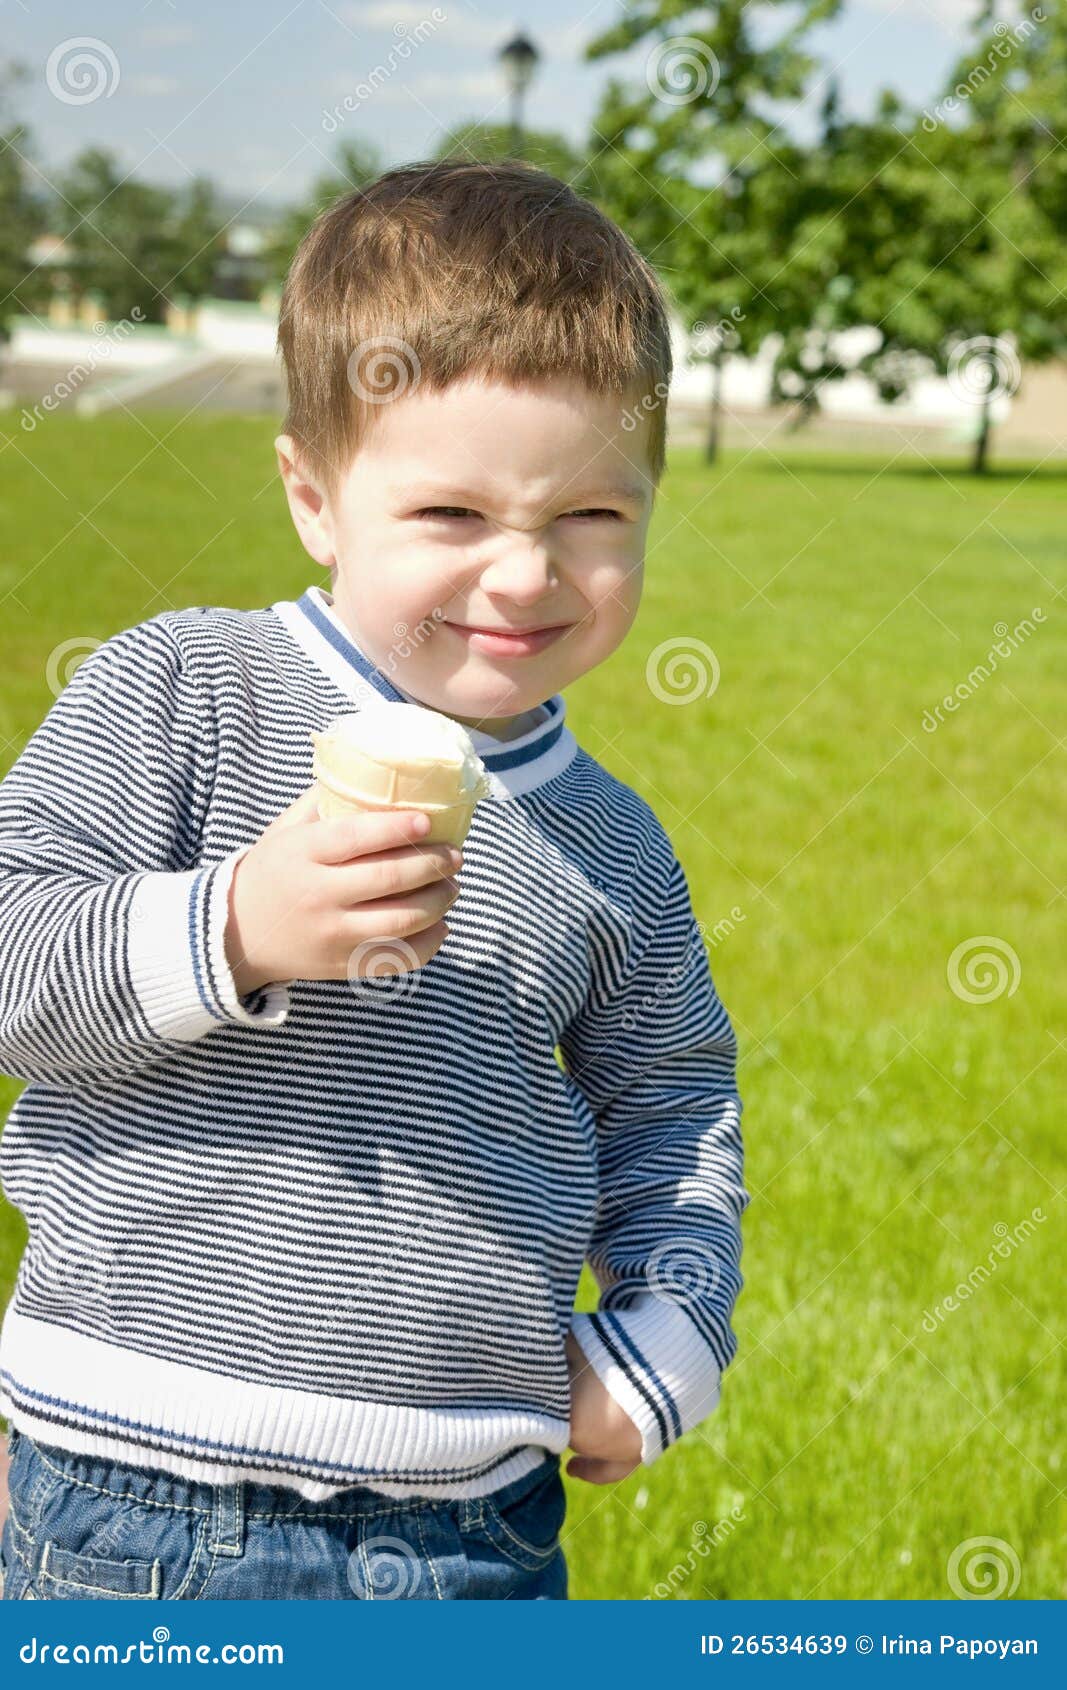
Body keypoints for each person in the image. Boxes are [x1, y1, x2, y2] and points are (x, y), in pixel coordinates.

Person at [0, 160, 748, 1600]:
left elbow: (675, 1102)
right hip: (132, 1487)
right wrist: (236, 924)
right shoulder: (187, 691)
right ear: (314, 496)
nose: (526, 574)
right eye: (454, 517)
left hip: (476, 1517)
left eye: (594, 515)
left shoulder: (614, 844)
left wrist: (665, 1341)